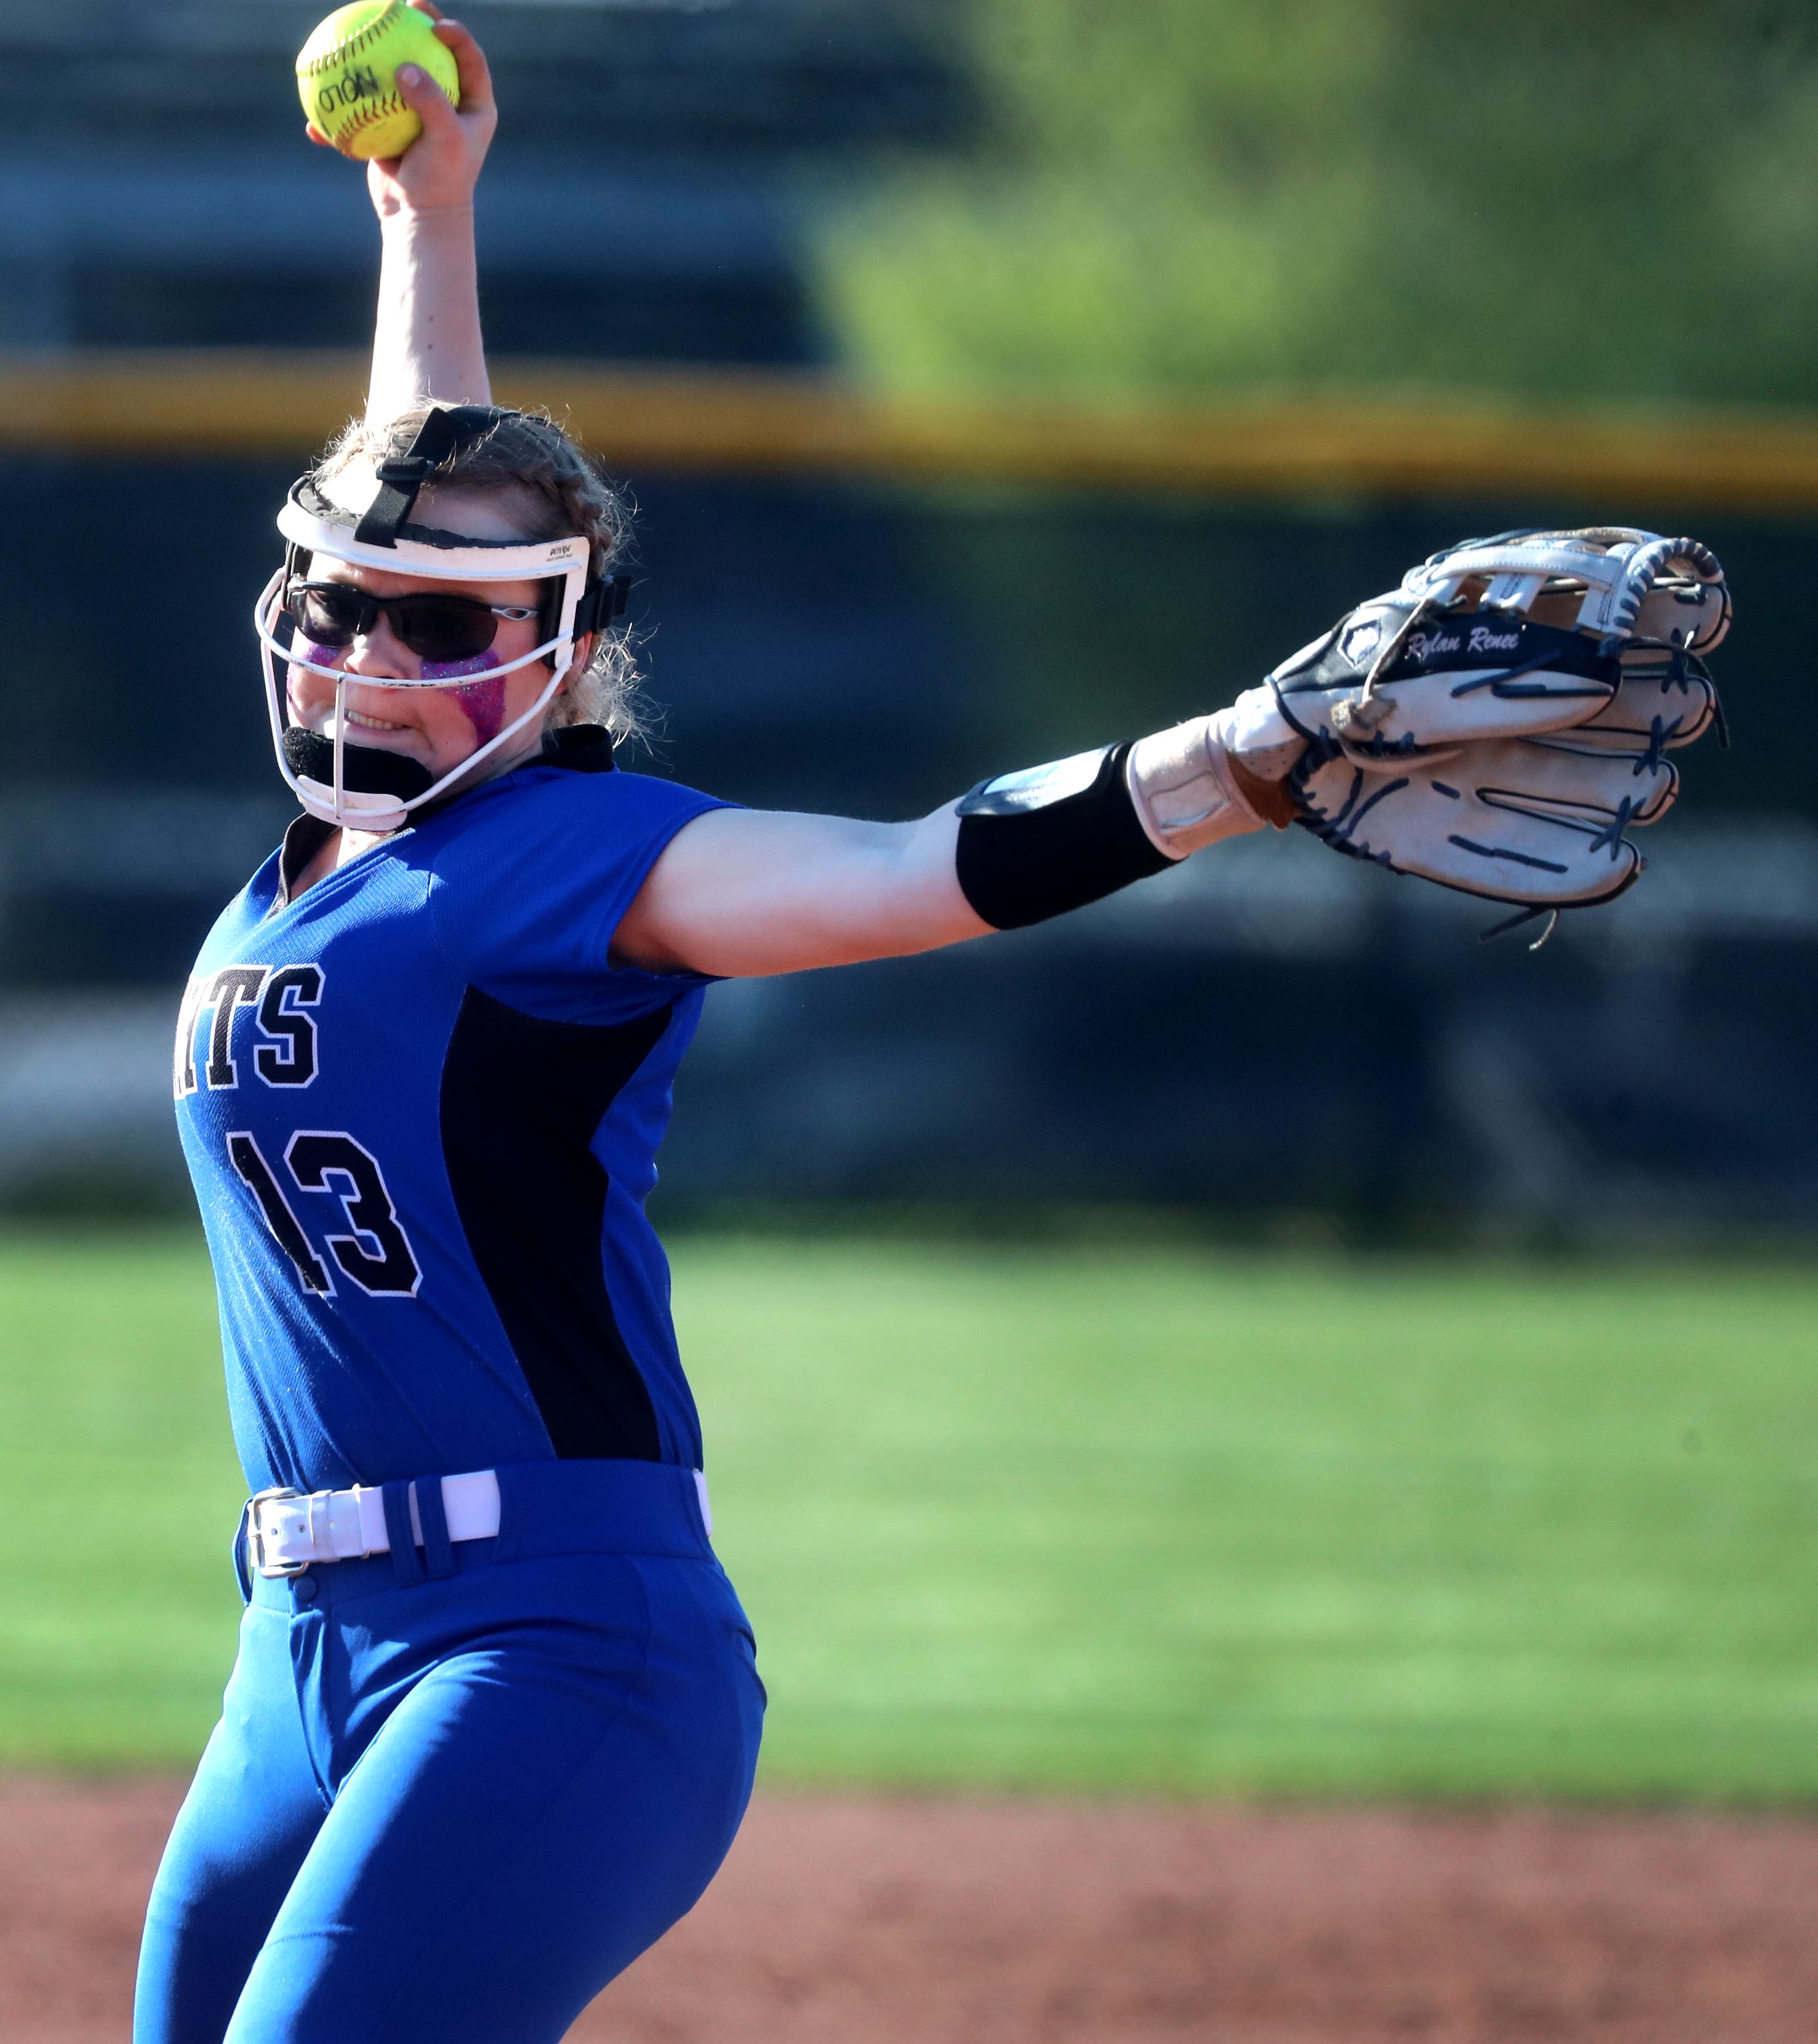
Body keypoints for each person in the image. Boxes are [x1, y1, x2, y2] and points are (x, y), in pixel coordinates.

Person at [133, 11, 1725, 2042]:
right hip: (293, 1649)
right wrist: (423, 222)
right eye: (340, 602)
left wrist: (1242, 758)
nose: (371, 651)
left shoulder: (576, 858)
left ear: (563, 658)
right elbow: (424, 491)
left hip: (549, 1650)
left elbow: (914, 872)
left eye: (440, 627)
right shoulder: (334, 854)